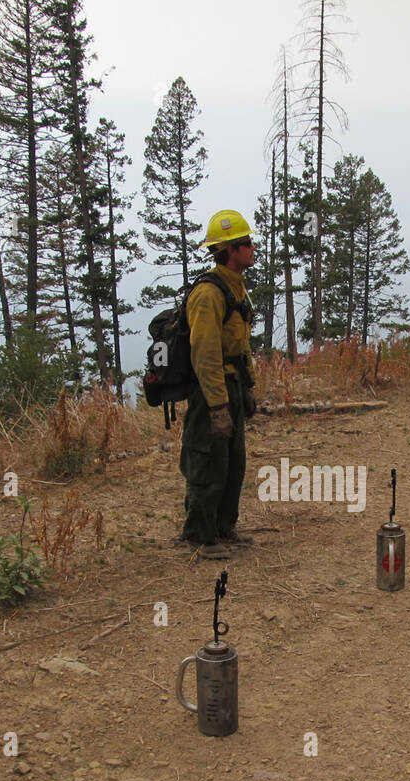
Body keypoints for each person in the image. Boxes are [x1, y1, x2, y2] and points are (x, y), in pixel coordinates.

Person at [179, 209, 258, 560]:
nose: (252, 248)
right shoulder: (208, 294)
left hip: (233, 385)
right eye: (246, 243)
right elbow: (205, 353)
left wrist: (248, 387)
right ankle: (201, 534)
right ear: (229, 250)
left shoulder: (236, 288)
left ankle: (225, 526)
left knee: (233, 463)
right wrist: (217, 405)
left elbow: (241, 344)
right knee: (209, 462)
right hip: (213, 390)